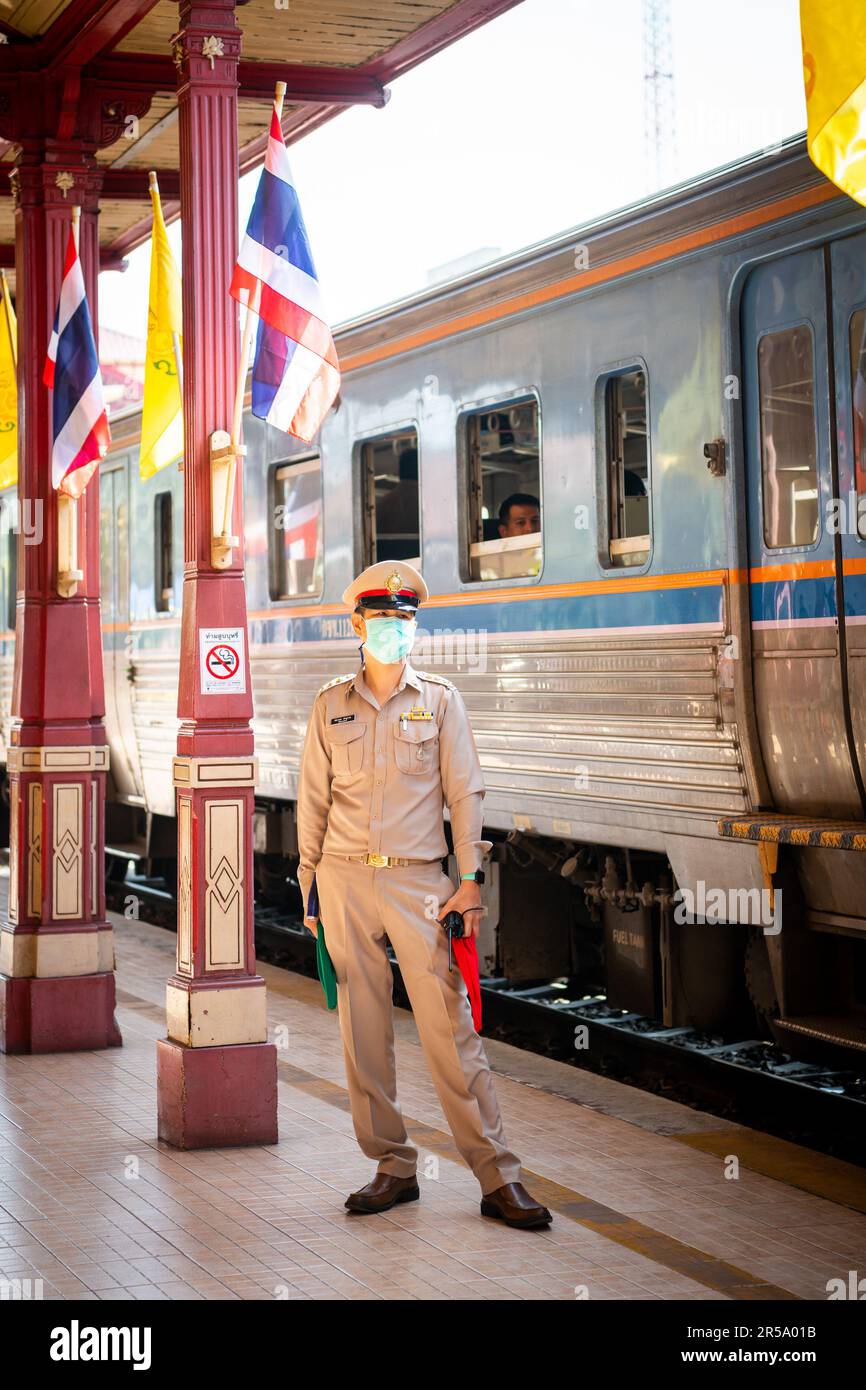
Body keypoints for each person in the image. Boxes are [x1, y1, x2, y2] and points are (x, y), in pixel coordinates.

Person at [296, 559, 552, 1230]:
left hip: (419, 881)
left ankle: (498, 1176)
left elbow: (466, 792)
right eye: (382, 621)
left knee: (450, 1031)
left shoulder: (440, 701)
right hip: (345, 879)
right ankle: (391, 1166)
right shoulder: (330, 706)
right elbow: (313, 805)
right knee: (364, 1033)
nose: (394, 632)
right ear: (357, 625)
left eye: (404, 622)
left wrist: (469, 881)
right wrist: (310, 890)